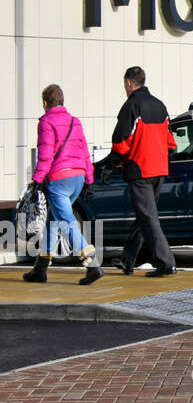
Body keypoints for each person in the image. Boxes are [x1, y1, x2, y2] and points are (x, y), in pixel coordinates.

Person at [23, 84, 101, 286]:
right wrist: (89, 180)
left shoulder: (46, 122)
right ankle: (40, 268)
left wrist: (38, 179)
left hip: (59, 179)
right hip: (78, 178)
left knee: (65, 220)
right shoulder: (75, 122)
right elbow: (85, 153)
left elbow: (46, 155)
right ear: (62, 101)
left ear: (45, 103)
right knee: (54, 220)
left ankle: (92, 264)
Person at [111, 66, 177, 277]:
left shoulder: (131, 106)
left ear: (129, 84)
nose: (124, 88)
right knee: (145, 215)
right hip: (159, 169)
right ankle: (128, 260)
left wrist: (110, 163)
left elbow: (121, 144)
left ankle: (166, 262)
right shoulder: (160, 105)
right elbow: (171, 142)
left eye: (124, 85)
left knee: (148, 217)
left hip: (140, 170)